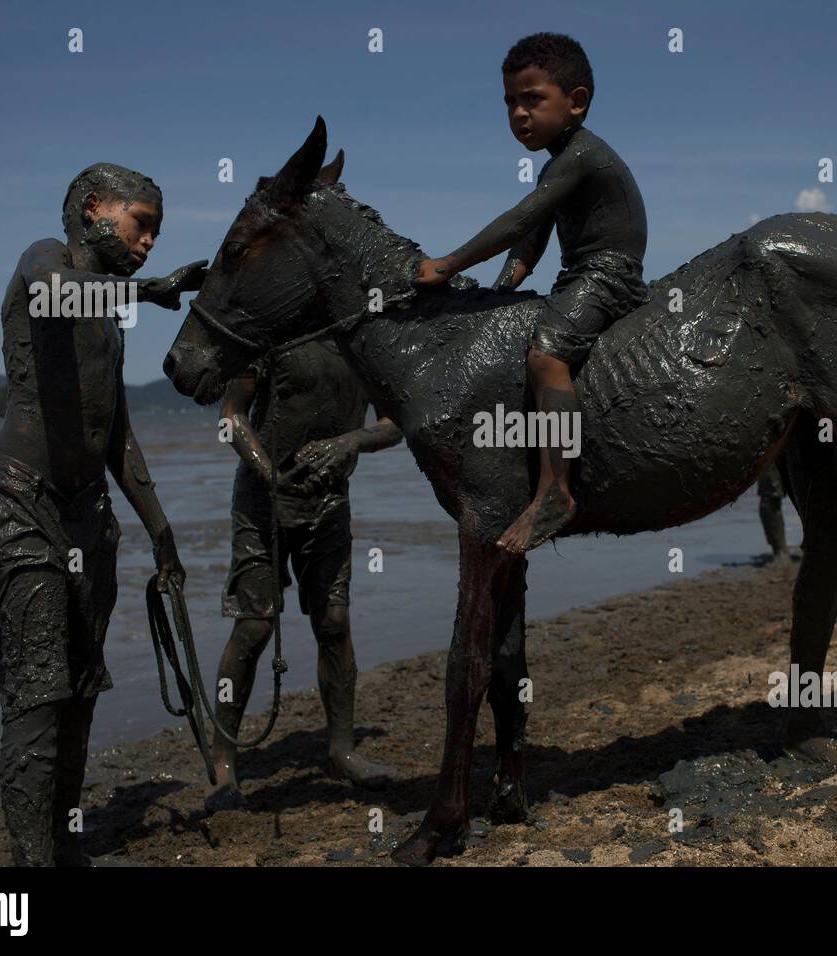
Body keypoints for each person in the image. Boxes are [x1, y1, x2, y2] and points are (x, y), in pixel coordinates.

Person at [0, 163, 206, 865]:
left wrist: (160, 528)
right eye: (142, 224)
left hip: (88, 518)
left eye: (157, 232)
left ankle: (63, 849)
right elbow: (53, 293)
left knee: (78, 693)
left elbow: (115, 434)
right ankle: (30, 865)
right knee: (37, 695)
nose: (151, 243)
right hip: (20, 504)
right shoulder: (46, 261)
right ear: (94, 208)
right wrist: (148, 289)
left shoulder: (107, 316)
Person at [414, 32, 650, 553]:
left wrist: (448, 265)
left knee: (546, 355)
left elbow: (518, 217)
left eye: (532, 99)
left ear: (577, 101)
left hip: (608, 273)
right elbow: (528, 244)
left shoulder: (584, 154)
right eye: (510, 103)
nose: (519, 114)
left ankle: (556, 492)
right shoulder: (556, 164)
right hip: (578, 275)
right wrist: (494, 291)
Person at [206, 337, 404, 812]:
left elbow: (396, 423)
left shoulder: (363, 343)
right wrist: (268, 472)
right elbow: (231, 417)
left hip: (330, 501)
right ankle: (222, 765)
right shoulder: (273, 330)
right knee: (254, 627)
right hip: (262, 502)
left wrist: (349, 442)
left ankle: (341, 749)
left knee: (334, 623)